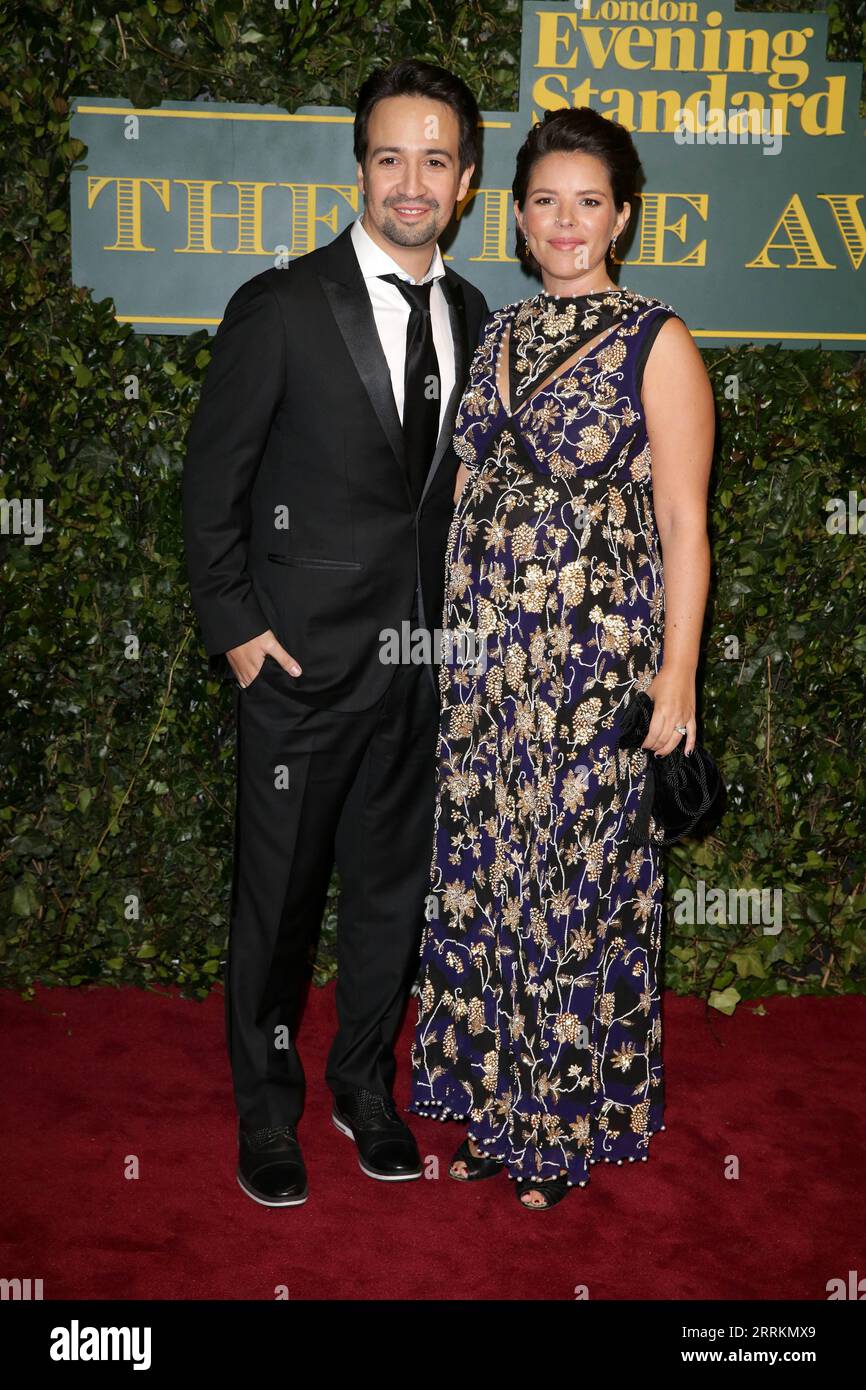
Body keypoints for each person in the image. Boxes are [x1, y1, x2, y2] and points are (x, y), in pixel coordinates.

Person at [182, 59, 488, 1206]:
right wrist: (240, 635)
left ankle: (365, 1085)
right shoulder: (282, 303)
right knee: (277, 897)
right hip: (298, 667)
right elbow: (213, 485)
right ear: (359, 166)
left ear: (464, 183)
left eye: (436, 160)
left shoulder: (472, 317)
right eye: (389, 157)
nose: (411, 182)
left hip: (422, 672)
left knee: (387, 896)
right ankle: (268, 1111)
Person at [408, 106, 714, 1210]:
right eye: (545, 201)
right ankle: (497, 1101)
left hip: (592, 674)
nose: (565, 221)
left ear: (621, 216)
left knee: (574, 888)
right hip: (487, 673)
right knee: (493, 879)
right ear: (518, 217)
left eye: (588, 201)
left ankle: (564, 1120)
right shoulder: (494, 335)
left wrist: (674, 678)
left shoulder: (657, 340)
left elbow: (684, 523)